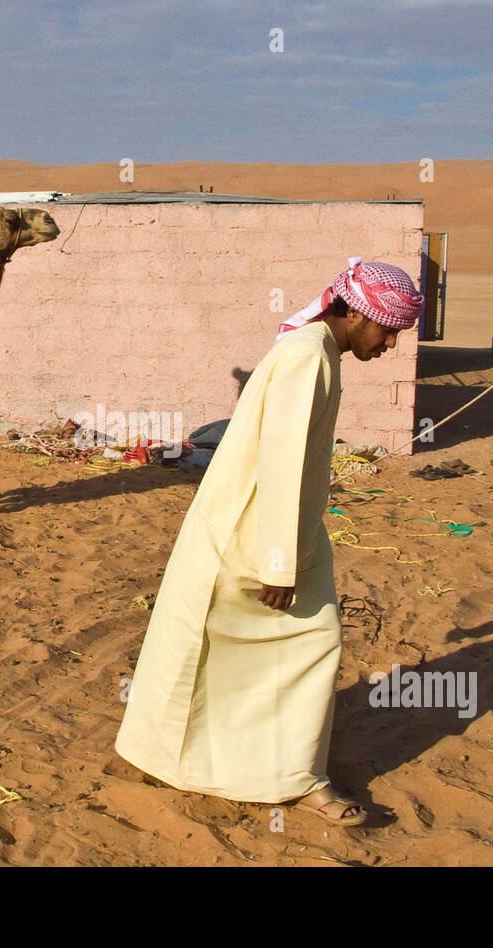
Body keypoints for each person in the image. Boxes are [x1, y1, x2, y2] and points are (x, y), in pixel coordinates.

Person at [114, 257, 424, 826]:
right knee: (310, 643)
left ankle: (240, 764)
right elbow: (282, 460)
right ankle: (297, 777)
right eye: (387, 330)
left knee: (239, 654)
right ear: (353, 312)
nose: (389, 345)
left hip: (273, 529)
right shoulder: (309, 359)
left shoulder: (315, 350)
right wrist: (278, 563)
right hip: (257, 535)